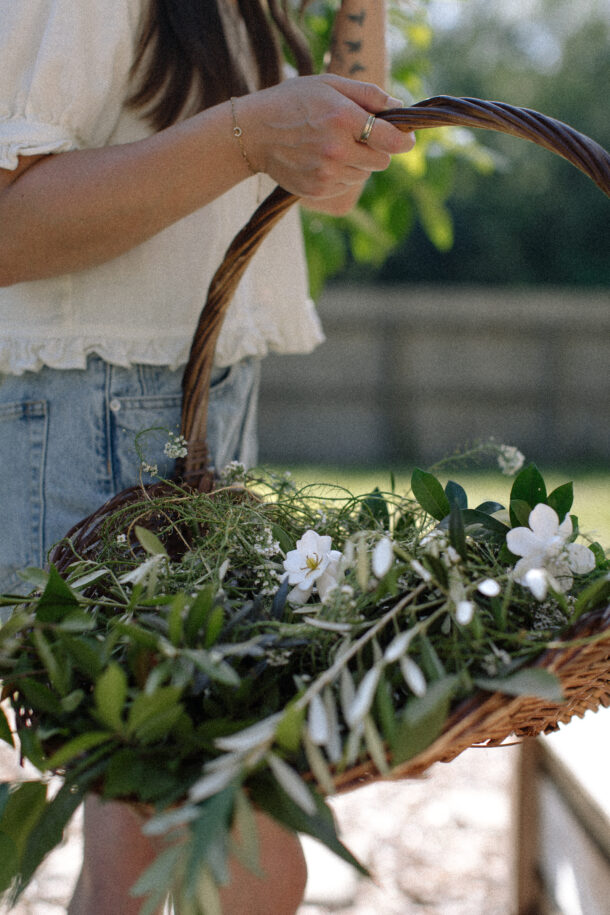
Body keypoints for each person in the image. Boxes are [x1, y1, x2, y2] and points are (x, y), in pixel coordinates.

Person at [0, 1, 414, 911]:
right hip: (101, 416)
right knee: (226, 871)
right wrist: (246, 135)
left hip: (185, 408)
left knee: (157, 866)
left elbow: (335, 183)